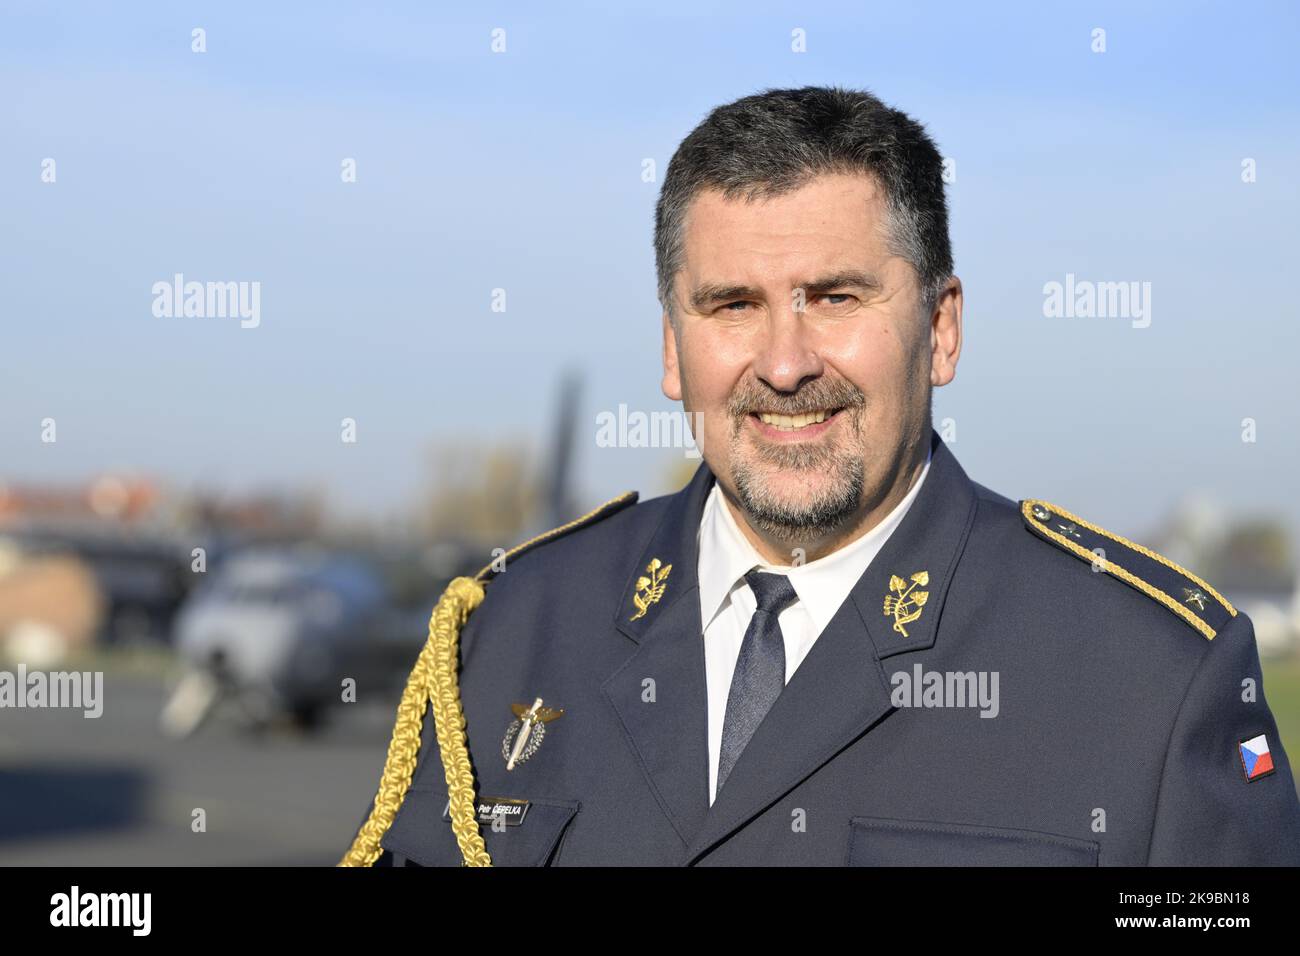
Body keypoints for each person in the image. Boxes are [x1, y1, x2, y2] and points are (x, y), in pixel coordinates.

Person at [342, 85, 1300, 866]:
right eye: (730, 305)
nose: (786, 363)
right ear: (674, 351)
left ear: (941, 328)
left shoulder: (1149, 680)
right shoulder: (509, 629)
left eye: (836, 297)